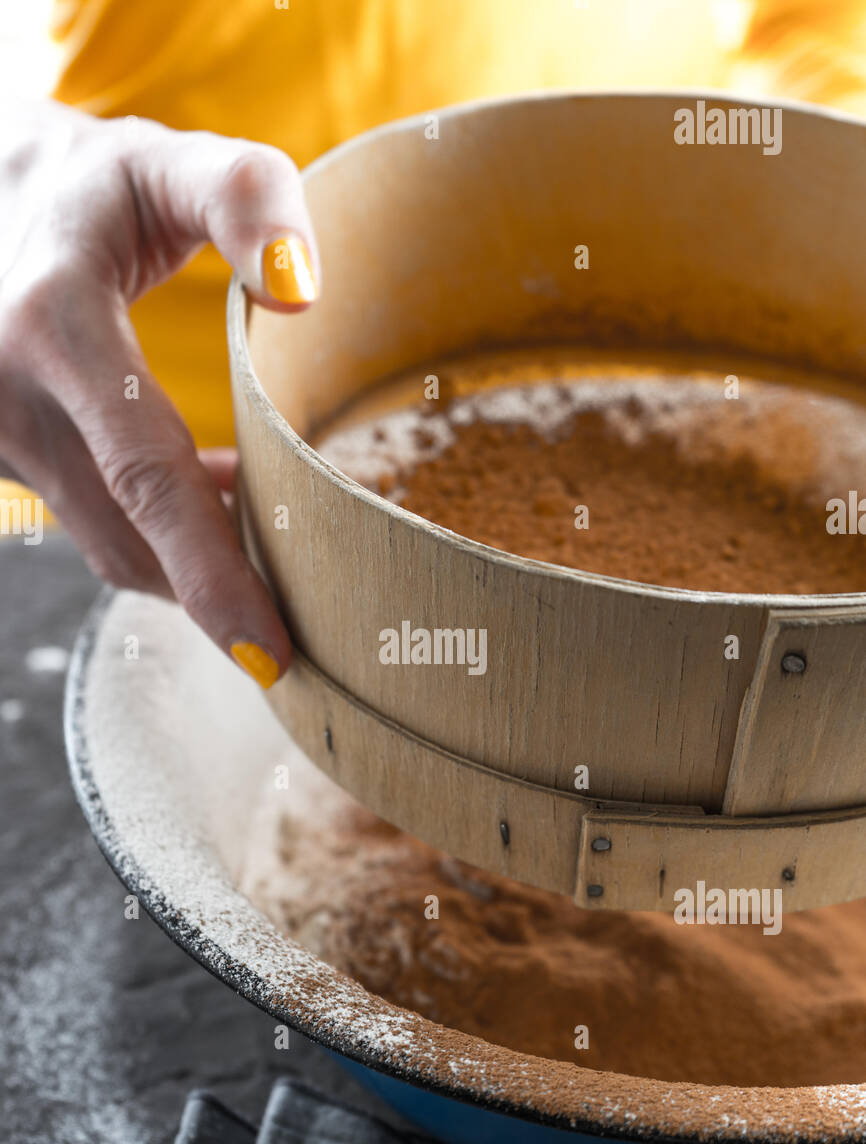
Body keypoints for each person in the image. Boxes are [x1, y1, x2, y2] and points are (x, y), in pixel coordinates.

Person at [1, 0, 863, 686]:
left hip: (693, 418)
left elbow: (819, 23)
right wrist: (19, 170)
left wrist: (813, 183)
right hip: (167, 485)